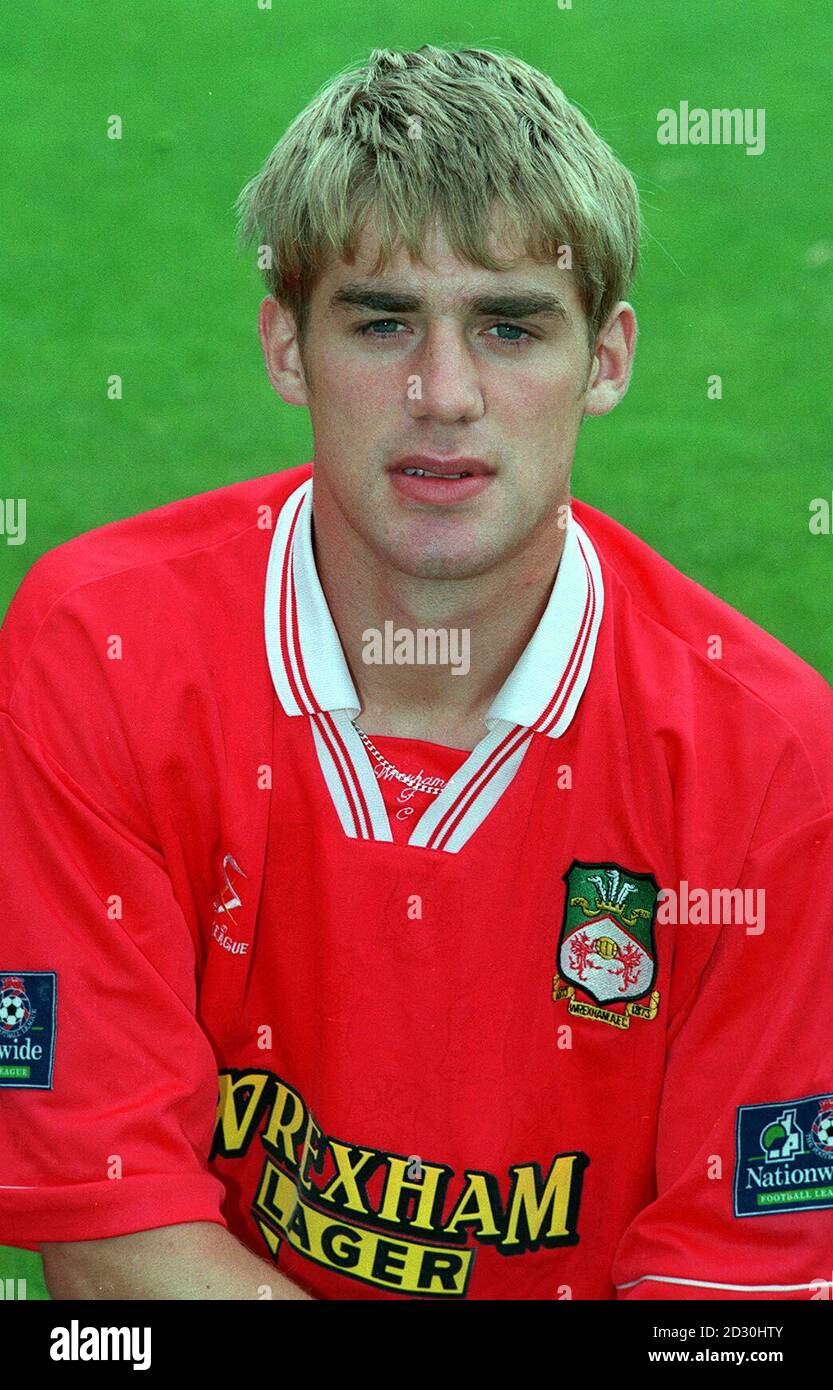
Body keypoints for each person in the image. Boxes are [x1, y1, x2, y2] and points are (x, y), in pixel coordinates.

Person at [1, 44, 832, 1302]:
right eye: (382, 321)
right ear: (286, 347)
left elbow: (729, 1303)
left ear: (605, 360)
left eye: (508, 325)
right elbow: (112, 1228)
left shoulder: (776, 764)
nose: (442, 393)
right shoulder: (96, 650)